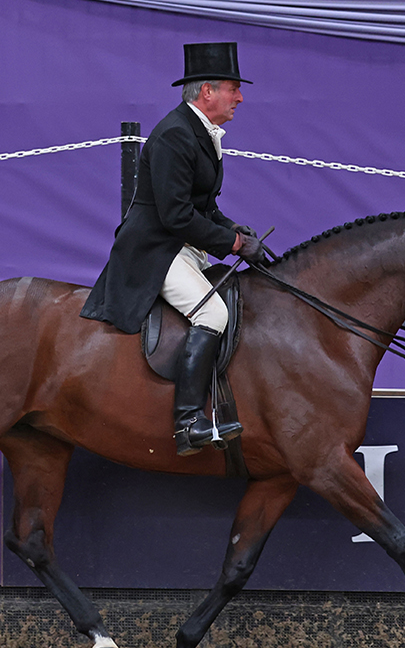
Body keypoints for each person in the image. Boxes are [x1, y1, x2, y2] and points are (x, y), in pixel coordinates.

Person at [81, 42, 266, 456]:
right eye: (233, 88)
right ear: (207, 93)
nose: (239, 97)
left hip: (183, 246)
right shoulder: (174, 136)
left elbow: (203, 206)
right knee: (213, 312)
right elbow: (176, 217)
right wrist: (233, 243)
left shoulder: (199, 133)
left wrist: (232, 227)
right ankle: (187, 422)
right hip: (156, 250)